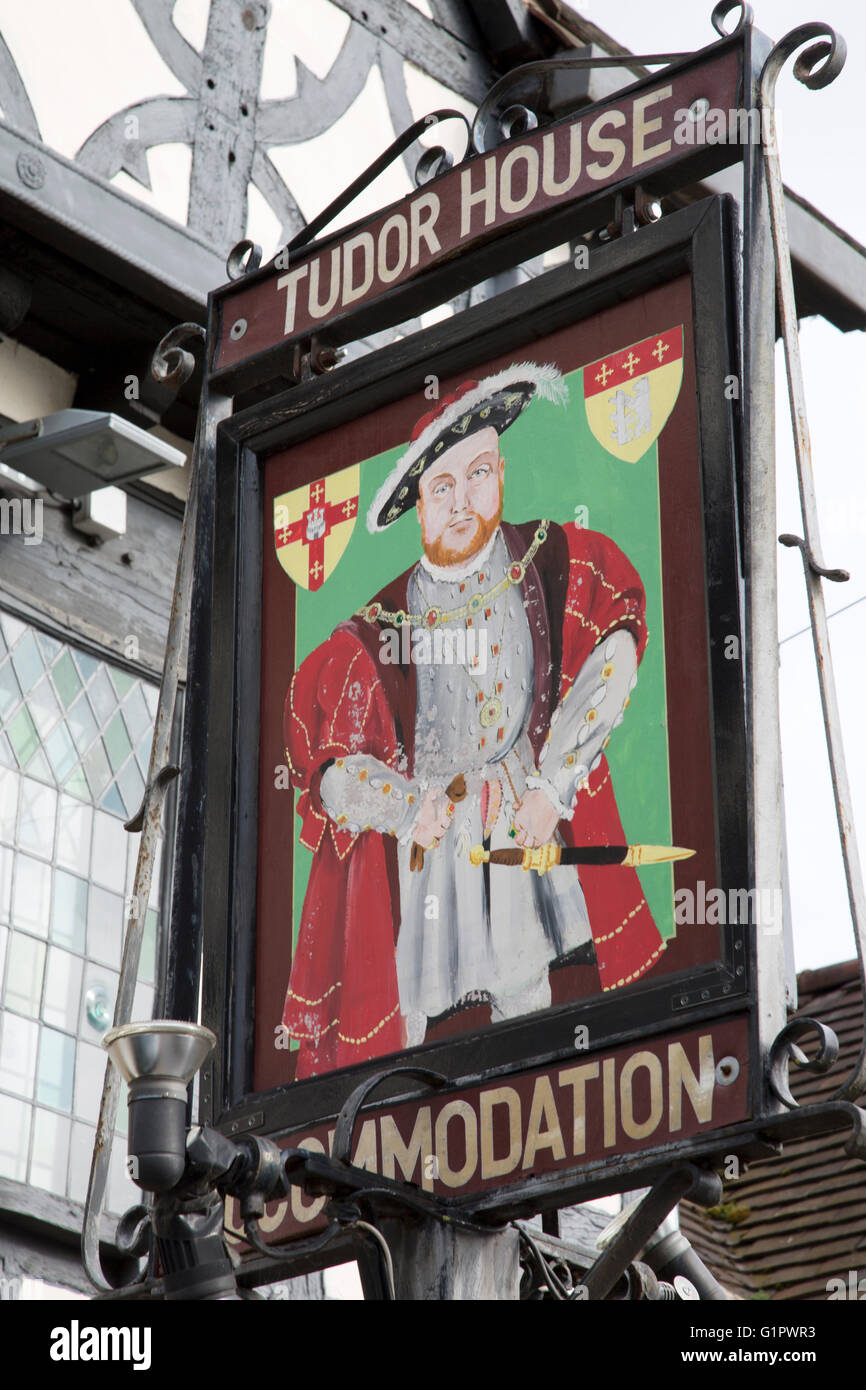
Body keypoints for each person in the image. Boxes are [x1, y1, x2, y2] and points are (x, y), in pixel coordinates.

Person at [283, 362, 664, 1078]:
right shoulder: (372, 633)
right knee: (410, 1023)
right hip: (430, 844)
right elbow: (331, 777)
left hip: (526, 813)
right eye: (443, 487)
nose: (464, 502)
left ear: (503, 471)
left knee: (531, 1004)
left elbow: (616, 647)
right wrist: (405, 808)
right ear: (418, 510)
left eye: (479, 474)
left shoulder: (557, 559)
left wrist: (555, 785)